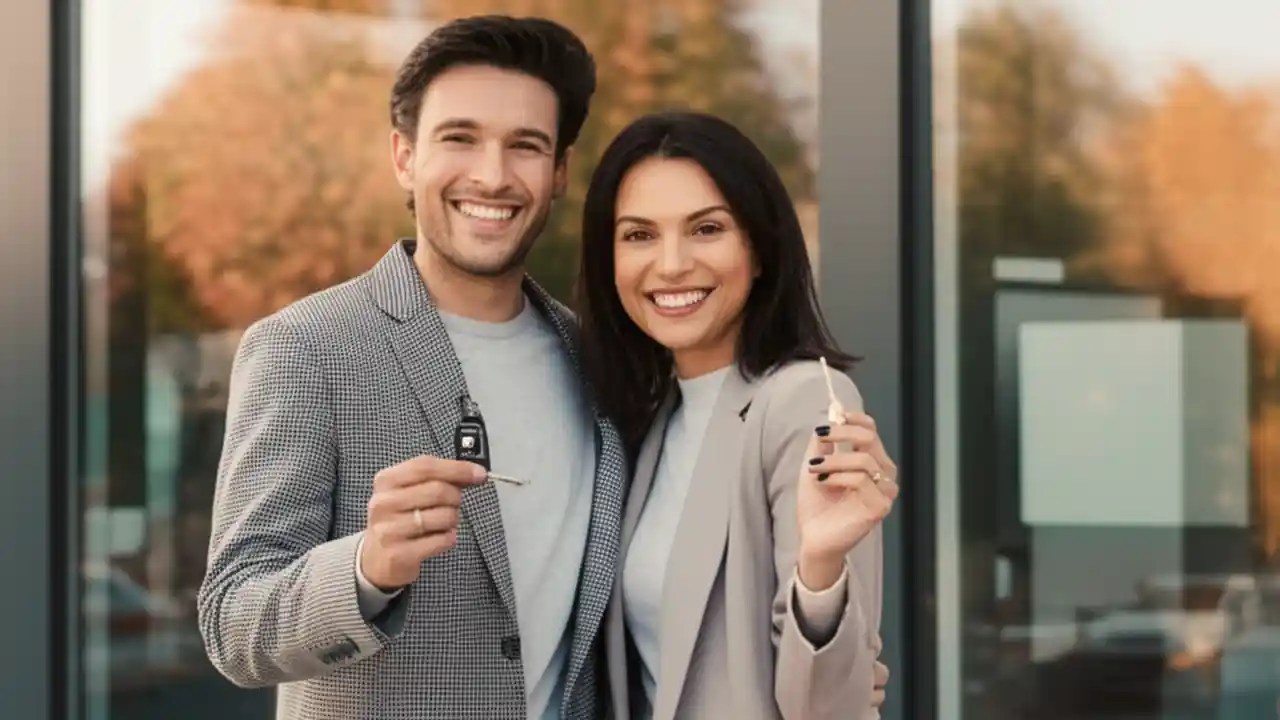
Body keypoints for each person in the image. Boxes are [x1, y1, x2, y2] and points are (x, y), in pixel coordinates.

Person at [196, 16, 627, 719]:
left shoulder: (600, 363)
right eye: (460, 138)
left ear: (558, 175)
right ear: (404, 156)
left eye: (525, 146)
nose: (492, 175)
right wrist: (365, 569)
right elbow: (233, 624)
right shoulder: (306, 347)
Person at [578, 112, 898, 719]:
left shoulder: (801, 403)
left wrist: (822, 567)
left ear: (759, 249)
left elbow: (832, 708)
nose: (670, 265)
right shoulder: (650, 417)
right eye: (639, 235)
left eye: (705, 229)